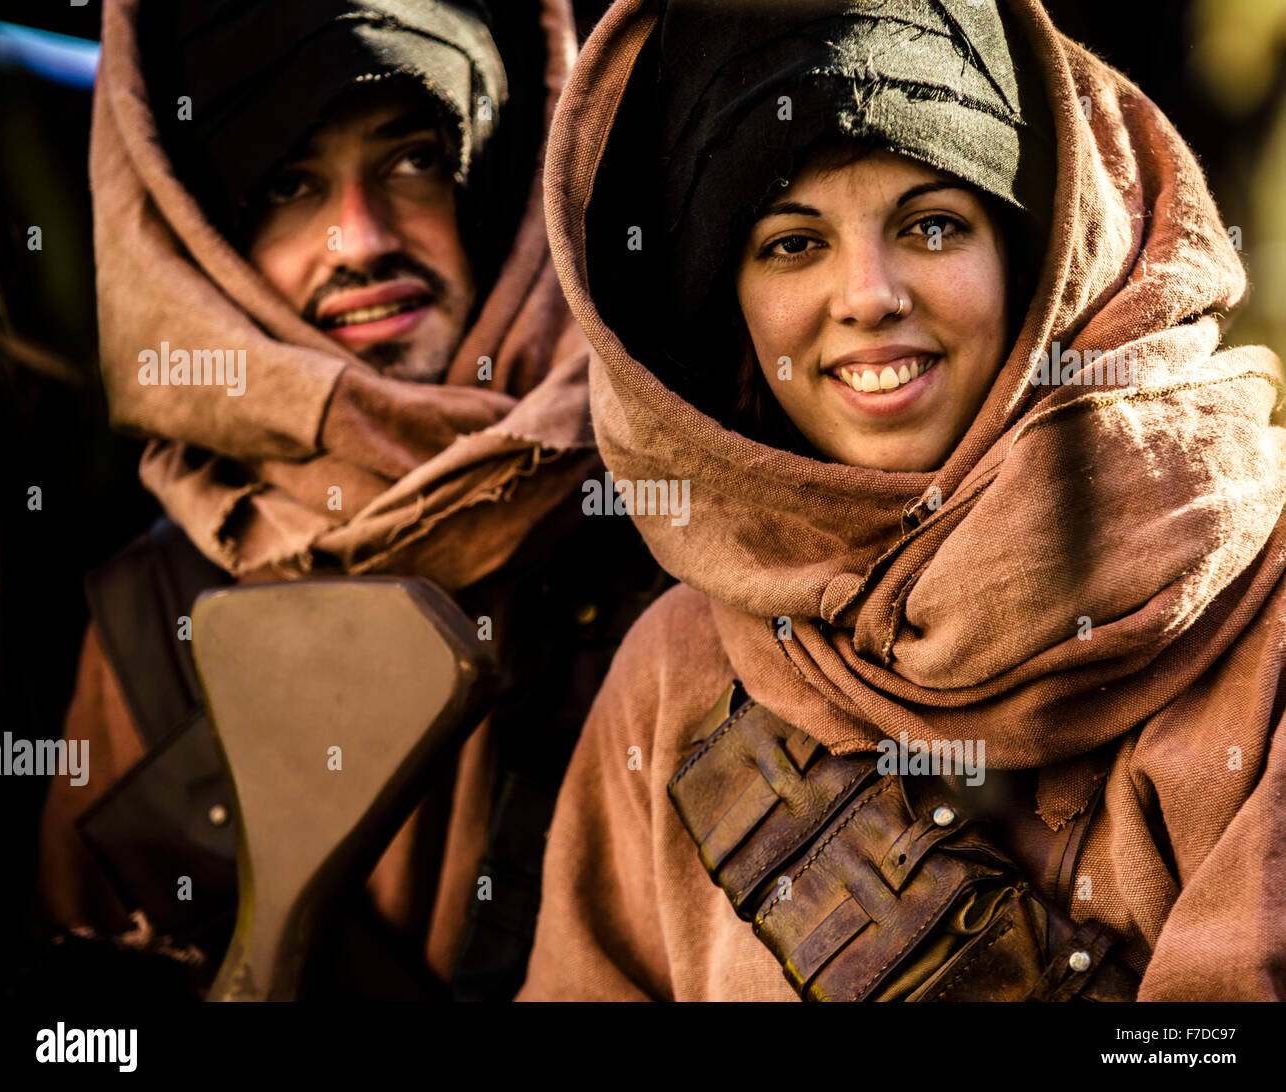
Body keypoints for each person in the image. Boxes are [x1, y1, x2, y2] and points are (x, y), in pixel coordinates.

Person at [519, 0, 1286, 1001]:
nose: (870, 294)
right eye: (792, 244)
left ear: (1042, 258)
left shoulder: (1260, 628)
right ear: (730, 311)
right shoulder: (679, 677)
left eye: (931, 225)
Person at [34, 0, 662, 1001]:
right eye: (287, 183)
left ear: (509, 180)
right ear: (206, 240)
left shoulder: (683, 538)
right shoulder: (148, 620)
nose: (358, 240)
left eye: (414, 157)